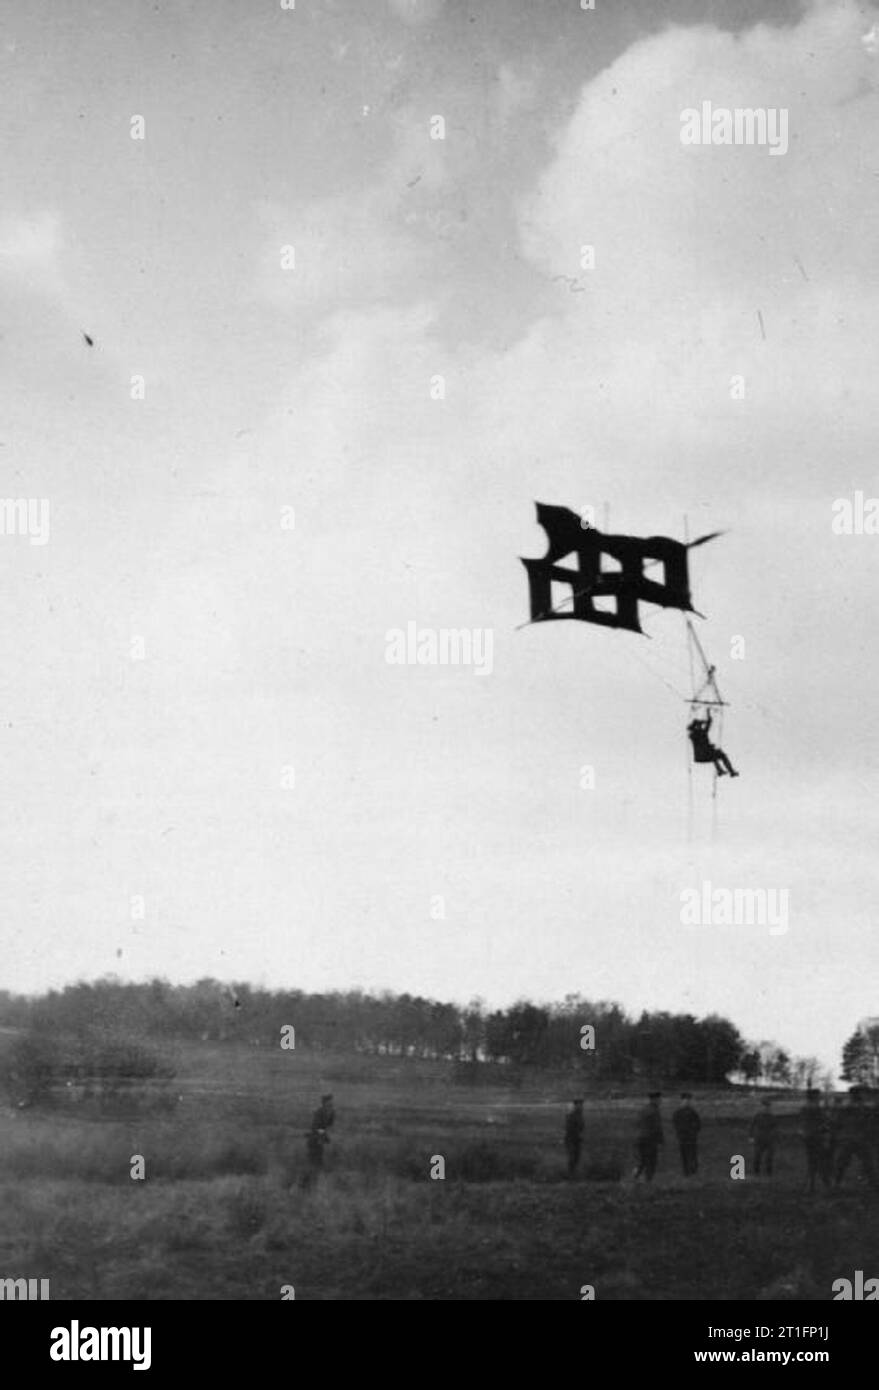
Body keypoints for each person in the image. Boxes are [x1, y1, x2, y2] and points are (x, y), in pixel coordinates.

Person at [833, 1087, 877, 1190]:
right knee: (866, 1162)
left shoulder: (849, 1107)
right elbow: (869, 1123)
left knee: (844, 1162)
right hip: (856, 1138)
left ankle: (837, 1183)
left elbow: (838, 1122)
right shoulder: (861, 1107)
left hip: (851, 1138)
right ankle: (873, 1183)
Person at [687, 710, 738, 777]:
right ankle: (723, 771)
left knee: (719, 755)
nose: (701, 727)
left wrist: (708, 713)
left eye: (700, 725)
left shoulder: (700, 733)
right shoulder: (695, 734)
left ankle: (727, 771)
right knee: (717, 755)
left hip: (705, 754)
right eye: (699, 726)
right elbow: (701, 744)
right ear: (695, 727)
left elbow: (708, 724)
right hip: (702, 755)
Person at [300, 1093, 335, 1189]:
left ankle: (312, 1185)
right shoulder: (319, 1112)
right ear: (324, 1103)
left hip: (320, 1142)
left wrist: (325, 1136)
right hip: (314, 1141)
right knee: (312, 1164)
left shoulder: (332, 1113)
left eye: (332, 1103)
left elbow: (329, 1126)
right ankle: (304, 1185)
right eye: (329, 1103)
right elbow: (316, 1127)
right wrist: (323, 1135)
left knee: (318, 1164)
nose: (331, 1104)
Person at [799, 1088, 830, 1194]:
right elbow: (824, 1122)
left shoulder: (804, 1107)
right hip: (817, 1137)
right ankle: (825, 1186)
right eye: (818, 1095)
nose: (819, 1097)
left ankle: (810, 1185)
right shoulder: (816, 1108)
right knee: (821, 1161)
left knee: (811, 1160)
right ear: (815, 1097)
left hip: (807, 1136)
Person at [634, 1091, 664, 1182]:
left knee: (642, 1160)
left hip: (640, 1138)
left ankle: (635, 1176)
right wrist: (661, 1140)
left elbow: (637, 1123)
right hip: (650, 1140)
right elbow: (657, 1127)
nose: (661, 1101)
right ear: (655, 1099)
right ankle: (647, 1181)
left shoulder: (643, 1109)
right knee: (651, 1162)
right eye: (659, 1099)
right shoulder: (655, 1111)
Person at [672, 1093, 701, 1176]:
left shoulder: (692, 1112)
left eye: (689, 1100)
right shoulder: (678, 1113)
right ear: (682, 1101)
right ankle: (686, 1172)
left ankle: (692, 1171)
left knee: (692, 1154)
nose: (688, 1102)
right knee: (685, 1154)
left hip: (690, 1137)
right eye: (686, 1100)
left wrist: (693, 1132)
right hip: (683, 1137)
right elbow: (675, 1124)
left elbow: (698, 1124)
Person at [749, 1097, 776, 1176]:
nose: (766, 1108)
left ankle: (769, 1172)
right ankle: (756, 1172)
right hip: (759, 1138)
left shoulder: (772, 1117)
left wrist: (774, 1136)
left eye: (767, 1106)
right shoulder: (757, 1116)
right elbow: (751, 1126)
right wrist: (751, 1137)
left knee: (769, 1157)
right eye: (764, 1106)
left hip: (769, 1139)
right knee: (757, 1156)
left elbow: (775, 1127)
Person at [564, 1098, 585, 1178]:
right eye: (579, 1105)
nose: (581, 1106)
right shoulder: (571, 1115)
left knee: (577, 1157)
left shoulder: (580, 1115)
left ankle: (573, 1173)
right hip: (571, 1139)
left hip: (577, 1139)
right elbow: (569, 1128)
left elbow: (582, 1127)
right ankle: (570, 1174)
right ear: (575, 1106)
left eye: (581, 1105)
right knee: (572, 1156)